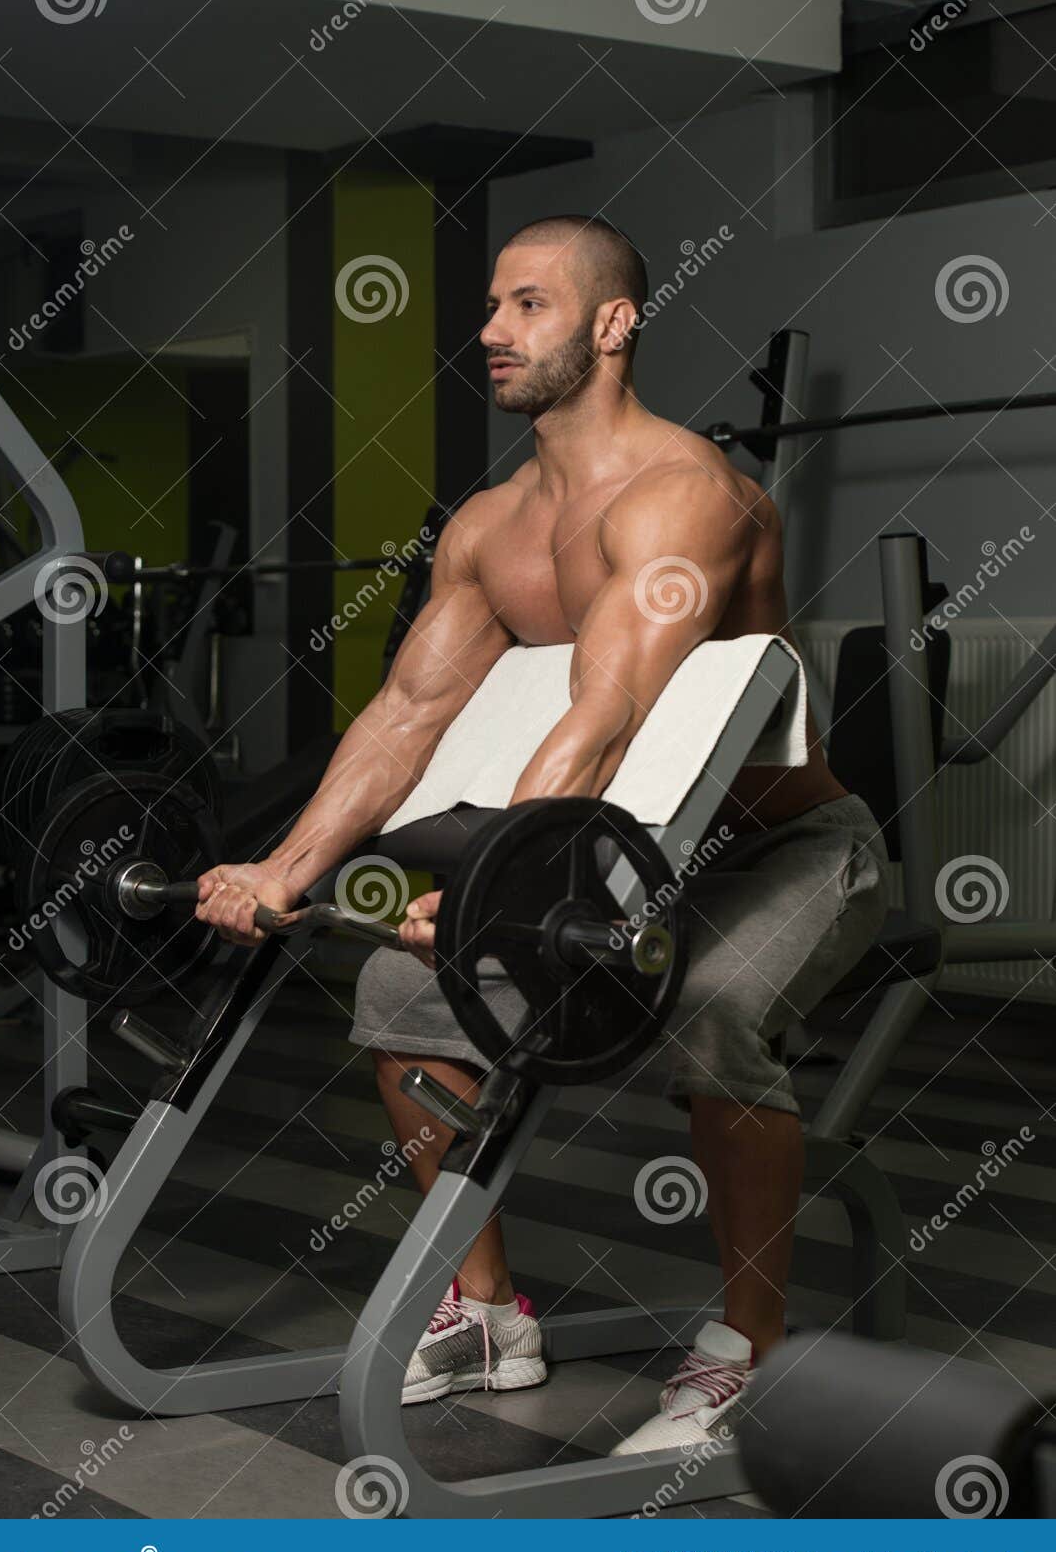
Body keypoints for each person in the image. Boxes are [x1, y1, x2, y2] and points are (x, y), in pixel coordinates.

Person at [195, 216, 890, 1457]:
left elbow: (611, 710)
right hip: (605, 854)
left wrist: (488, 894)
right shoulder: (491, 528)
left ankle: (748, 1356)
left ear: (614, 325)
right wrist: (283, 869)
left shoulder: (687, 497)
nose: (491, 333)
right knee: (404, 988)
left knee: (716, 1006)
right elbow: (408, 712)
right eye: (492, 309)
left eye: (528, 307)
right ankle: (484, 1311)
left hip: (777, 852)